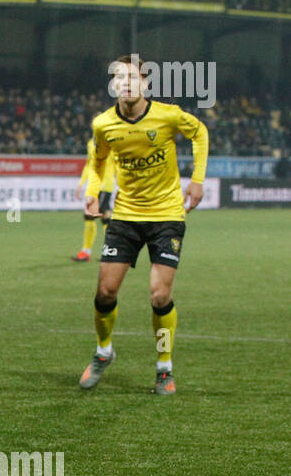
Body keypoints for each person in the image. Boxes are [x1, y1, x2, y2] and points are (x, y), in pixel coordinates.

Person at [79, 54, 209, 395]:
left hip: (166, 216)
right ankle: (103, 352)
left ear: (146, 84)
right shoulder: (104, 124)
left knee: (159, 294)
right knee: (105, 292)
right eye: (119, 79)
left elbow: (200, 133)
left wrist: (197, 180)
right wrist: (94, 193)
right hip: (125, 216)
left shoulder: (167, 115)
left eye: (133, 78)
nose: (126, 84)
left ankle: (164, 368)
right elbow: (98, 160)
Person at [72, 136, 114, 261]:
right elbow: (88, 165)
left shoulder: (112, 142)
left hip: (105, 185)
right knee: (103, 218)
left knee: (94, 217)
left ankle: (96, 252)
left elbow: (119, 163)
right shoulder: (91, 143)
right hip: (93, 186)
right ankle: (103, 252)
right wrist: (81, 184)